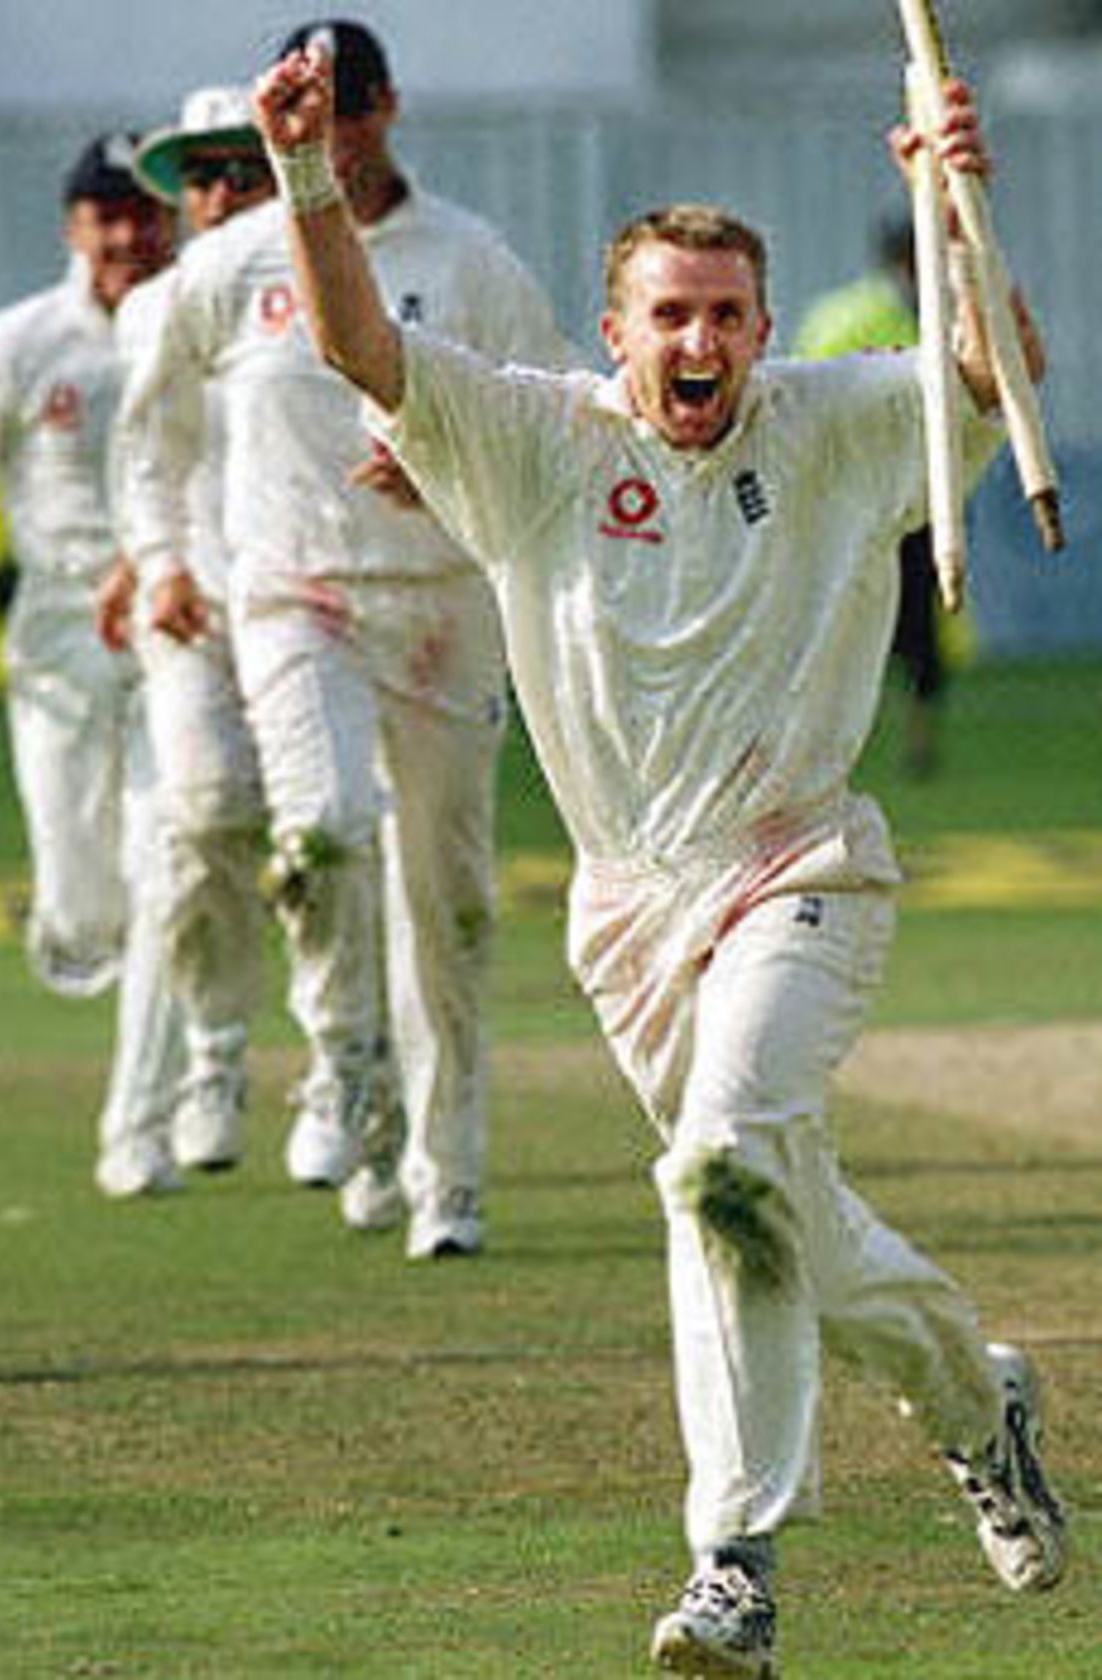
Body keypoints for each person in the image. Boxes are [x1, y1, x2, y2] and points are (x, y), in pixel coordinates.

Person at [254, 47, 1067, 1674]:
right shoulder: (531, 438)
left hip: (800, 863)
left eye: (726, 315)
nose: (700, 343)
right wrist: (305, 179)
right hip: (633, 905)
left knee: (722, 1166)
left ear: (765, 330)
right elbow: (357, 344)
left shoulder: (830, 424)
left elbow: (997, 386)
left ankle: (734, 1564)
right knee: (782, 1213)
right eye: (669, 316)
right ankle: (981, 1400)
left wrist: (968, 214)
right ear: (612, 328)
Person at [120, 18, 572, 1259]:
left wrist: (449, 469)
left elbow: (553, 416)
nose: (338, 130)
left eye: (354, 105)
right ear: (287, 116)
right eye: (312, 108)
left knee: (449, 905)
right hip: (294, 595)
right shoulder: (231, 266)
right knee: (319, 829)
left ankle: (445, 1172)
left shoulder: (467, 258)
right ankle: (344, 1064)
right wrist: (162, 560)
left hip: (438, 605)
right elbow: (152, 437)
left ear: (388, 109)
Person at [0, 135, 185, 1198]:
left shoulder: (202, 332)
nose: (126, 236)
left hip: (180, 627)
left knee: (173, 866)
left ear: (171, 222)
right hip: (60, 646)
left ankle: (140, 1127)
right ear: (74, 227)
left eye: (143, 214)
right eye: (105, 216)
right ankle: (89, 940)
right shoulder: (11, 347)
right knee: (83, 913)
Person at [104, 88, 277, 1174]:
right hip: (198, 609)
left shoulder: (338, 287)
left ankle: (361, 1085)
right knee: (200, 822)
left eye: (241, 171)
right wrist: (153, 561)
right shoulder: (151, 310)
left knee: (355, 854)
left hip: (334, 602)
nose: (220, 195)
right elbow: (147, 456)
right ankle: (214, 1055)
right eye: (201, 177)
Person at [793, 214, 946, 776]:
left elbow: (798, 403)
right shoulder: (921, 318)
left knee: (840, 623)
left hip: (844, 500)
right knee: (914, 628)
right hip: (904, 497)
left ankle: (837, 745)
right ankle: (916, 739)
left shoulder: (834, 313)